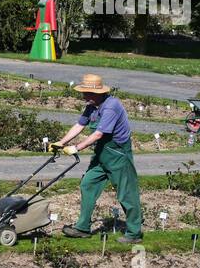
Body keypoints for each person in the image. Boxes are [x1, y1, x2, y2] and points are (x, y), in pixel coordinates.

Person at [51, 73, 143, 242]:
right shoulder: (92, 106)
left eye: (86, 93)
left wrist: (76, 148)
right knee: (88, 184)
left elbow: (99, 134)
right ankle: (82, 228)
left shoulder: (110, 107)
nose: (84, 96)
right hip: (102, 155)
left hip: (118, 155)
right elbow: (80, 124)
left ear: (98, 93)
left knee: (126, 194)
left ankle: (134, 233)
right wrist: (61, 142)